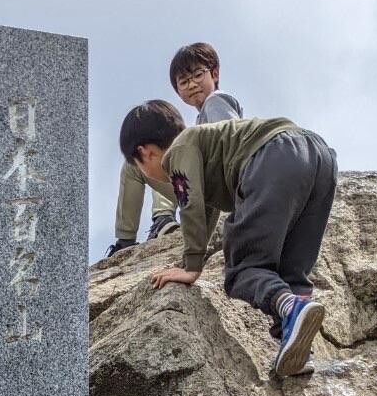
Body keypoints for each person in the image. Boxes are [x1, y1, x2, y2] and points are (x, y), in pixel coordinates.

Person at [119, 100, 337, 378]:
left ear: (145, 152)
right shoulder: (204, 145)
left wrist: (191, 266)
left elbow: (190, 204)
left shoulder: (179, 150)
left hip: (272, 156)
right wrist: (196, 256)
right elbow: (206, 210)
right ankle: (297, 345)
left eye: (138, 166)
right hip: (319, 156)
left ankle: (293, 308)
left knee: (243, 268)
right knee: (290, 269)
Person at [105, 42, 242, 258]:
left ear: (214, 73)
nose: (192, 84)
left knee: (152, 160)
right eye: (184, 82)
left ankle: (135, 235)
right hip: (206, 188)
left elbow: (231, 138)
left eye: (198, 75)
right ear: (178, 91)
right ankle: (159, 221)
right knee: (151, 158)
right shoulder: (201, 117)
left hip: (219, 190)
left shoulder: (215, 101)